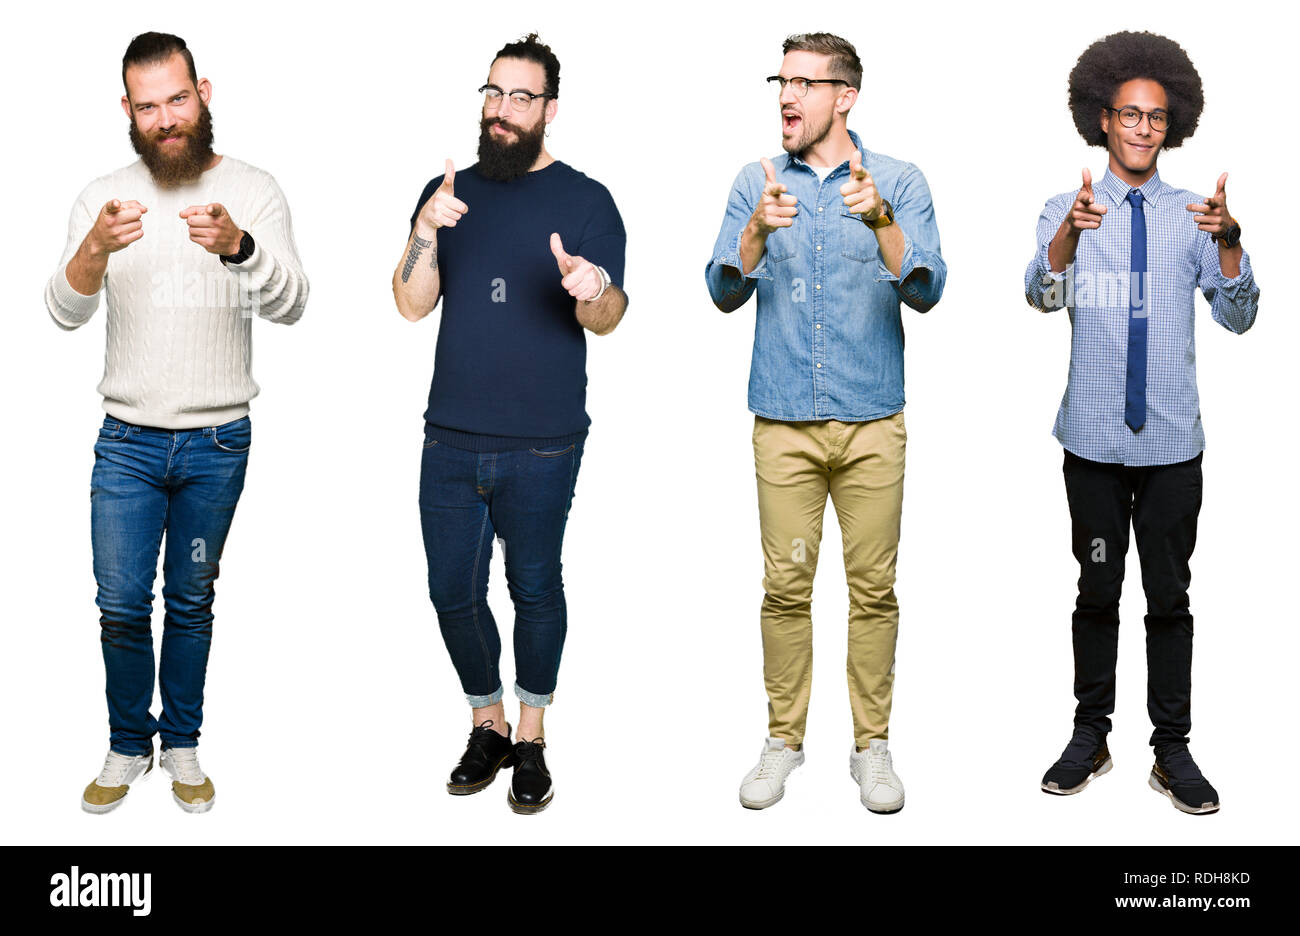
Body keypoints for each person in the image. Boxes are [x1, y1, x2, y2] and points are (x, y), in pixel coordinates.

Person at [47, 32, 309, 814]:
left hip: (216, 445)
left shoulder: (254, 190)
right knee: (122, 602)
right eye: (149, 105)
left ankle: (183, 745)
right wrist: (93, 247)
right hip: (126, 445)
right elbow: (63, 312)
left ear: (203, 92)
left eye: (178, 99)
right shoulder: (102, 195)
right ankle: (129, 745)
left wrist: (240, 247)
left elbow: (292, 303)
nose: (167, 119)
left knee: (190, 597)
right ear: (127, 110)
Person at [705, 32, 946, 813]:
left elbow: (927, 287)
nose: (786, 95)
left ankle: (871, 748)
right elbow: (721, 289)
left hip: (873, 420)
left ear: (845, 96)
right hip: (783, 422)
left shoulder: (899, 181)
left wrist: (879, 219)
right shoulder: (758, 181)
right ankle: (783, 741)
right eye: (782, 79)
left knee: (874, 590)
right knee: (785, 587)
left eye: (806, 82)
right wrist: (755, 234)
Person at [392, 33, 627, 815]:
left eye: (520, 97)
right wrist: (426, 226)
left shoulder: (588, 200)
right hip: (450, 435)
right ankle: (485, 722)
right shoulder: (449, 190)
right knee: (450, 591)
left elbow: (609, 317)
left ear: (549, 111)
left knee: (533, 586)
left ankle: (531, 738)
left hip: (544, 439)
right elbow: (410, 301)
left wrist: (590, 285)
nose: (501, 109)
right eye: (492, 93)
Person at [1026, 31, 1258, 815]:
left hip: (1170, 450)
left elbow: (1238, 319)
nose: (1142, 128)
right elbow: (1042, 296)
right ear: (1102, 118)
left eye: (1156, 117)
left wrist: (1229, 244)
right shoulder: (1066, 211)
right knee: (1096, 588)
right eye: (1129, 114)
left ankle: (1172, 748)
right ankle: (1090, 735)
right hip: (1091, 445)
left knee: (1169, 595)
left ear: (1172, 124)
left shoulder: (1196, 217)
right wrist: (1068, 239)